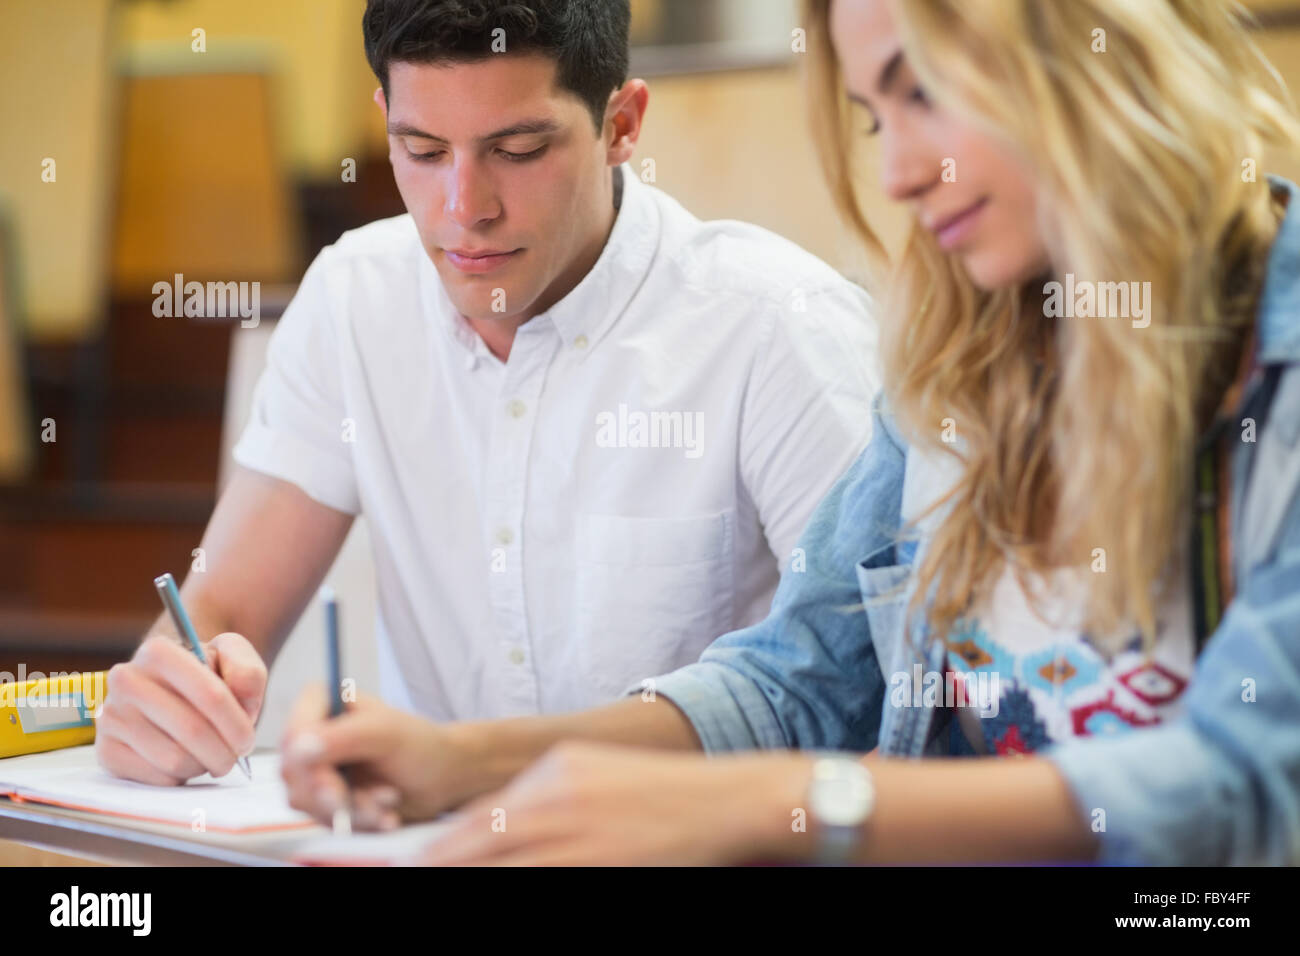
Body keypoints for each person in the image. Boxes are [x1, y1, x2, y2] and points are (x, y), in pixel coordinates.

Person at [280, 0, 1300, 866]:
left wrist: (783, 801)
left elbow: (1253, 777)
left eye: (926, 92)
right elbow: (803, 673)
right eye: (872, 118)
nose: (898, 171)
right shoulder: (961, 360)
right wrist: (474, 763)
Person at [93, 0, 879, 786]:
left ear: (622, 125)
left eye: (519, 148)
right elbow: (221, 612)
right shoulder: (352, 300)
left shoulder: (776, 328)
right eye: (424, 151)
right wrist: (171, 697)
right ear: (385, 122)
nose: (465, 209)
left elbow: (869, 689)